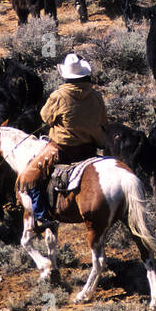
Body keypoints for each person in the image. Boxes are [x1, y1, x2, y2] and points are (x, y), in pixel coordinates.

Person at [15, 53, 109, 229]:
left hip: (62, 149)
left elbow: (45, 117)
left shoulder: (58, 95)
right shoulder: (96, 96)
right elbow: (104, 121)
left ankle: (42, 216)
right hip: (89, 148)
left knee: (30, 175)